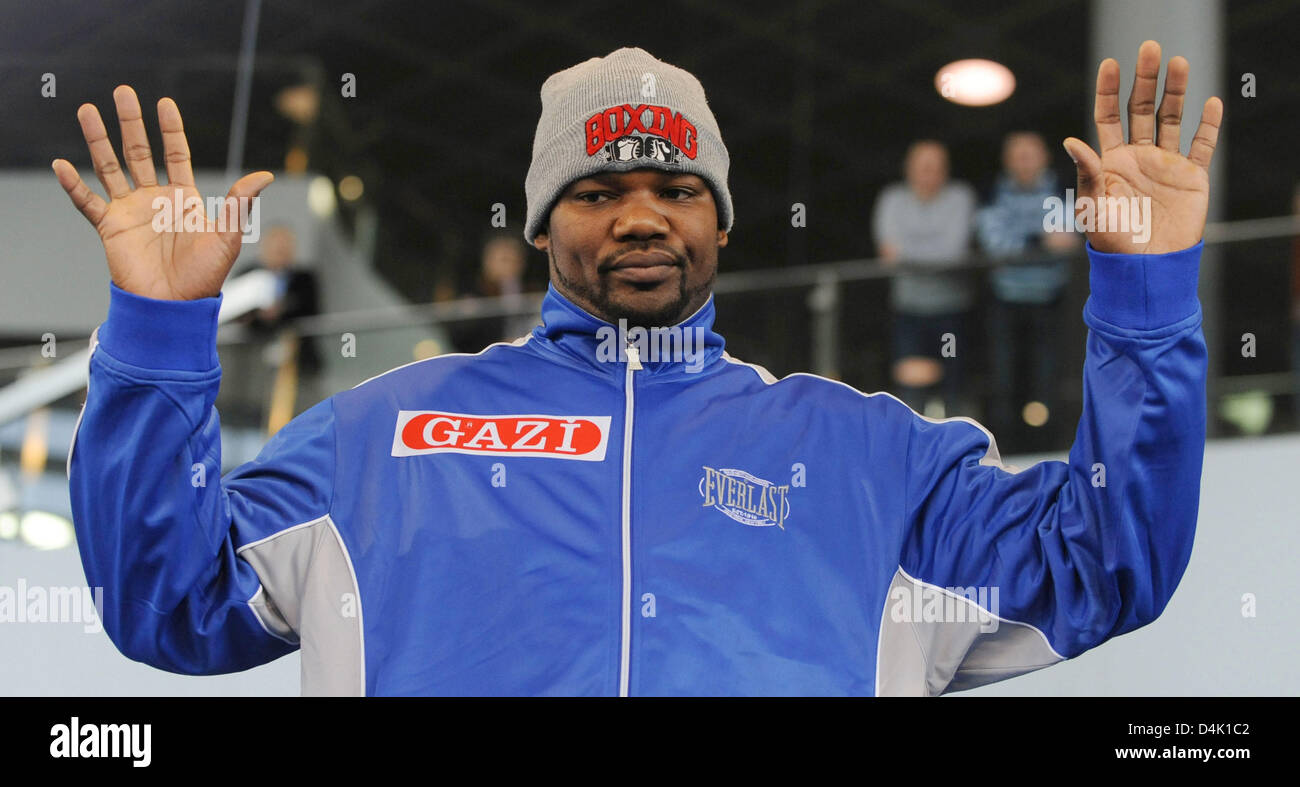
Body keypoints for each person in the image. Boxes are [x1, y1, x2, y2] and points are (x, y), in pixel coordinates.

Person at [56, 42, 1221, 696]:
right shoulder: (384, 433)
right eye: (598, 190)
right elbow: (169, 600)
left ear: (721, 219)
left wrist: (1145, 298)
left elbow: (1102, 559)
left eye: (676, 188)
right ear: (539, 224)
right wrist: (158, 327)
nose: (642, 217)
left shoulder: (868, 457)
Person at [976, 131, 1082, 444]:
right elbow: (995, 245)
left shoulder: (1063, 189)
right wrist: (1040, 241)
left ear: (1044, 158)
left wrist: (1024, 243)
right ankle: (1003, 445)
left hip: (1052, 297)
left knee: (1049, 375)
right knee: (1003, 376)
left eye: (1030, 155)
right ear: (1006, 161)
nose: (1024, 162)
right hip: (1005, 298)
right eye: (1017, 155)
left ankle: (1049, 443)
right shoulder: (992, 194)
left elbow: (1068, 237)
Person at [871, 140, 977, 417]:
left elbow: (953, 252)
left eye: (935, 166)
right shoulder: (892, 198)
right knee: (909, 395)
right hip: (908, 310)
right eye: (922, 166)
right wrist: (935, 254)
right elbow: (888, 252)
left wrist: (906, 254)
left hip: (952, 310)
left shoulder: (961, 196)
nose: (929, 172)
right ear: (908, 168)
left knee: (954, 389)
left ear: (946, 169)